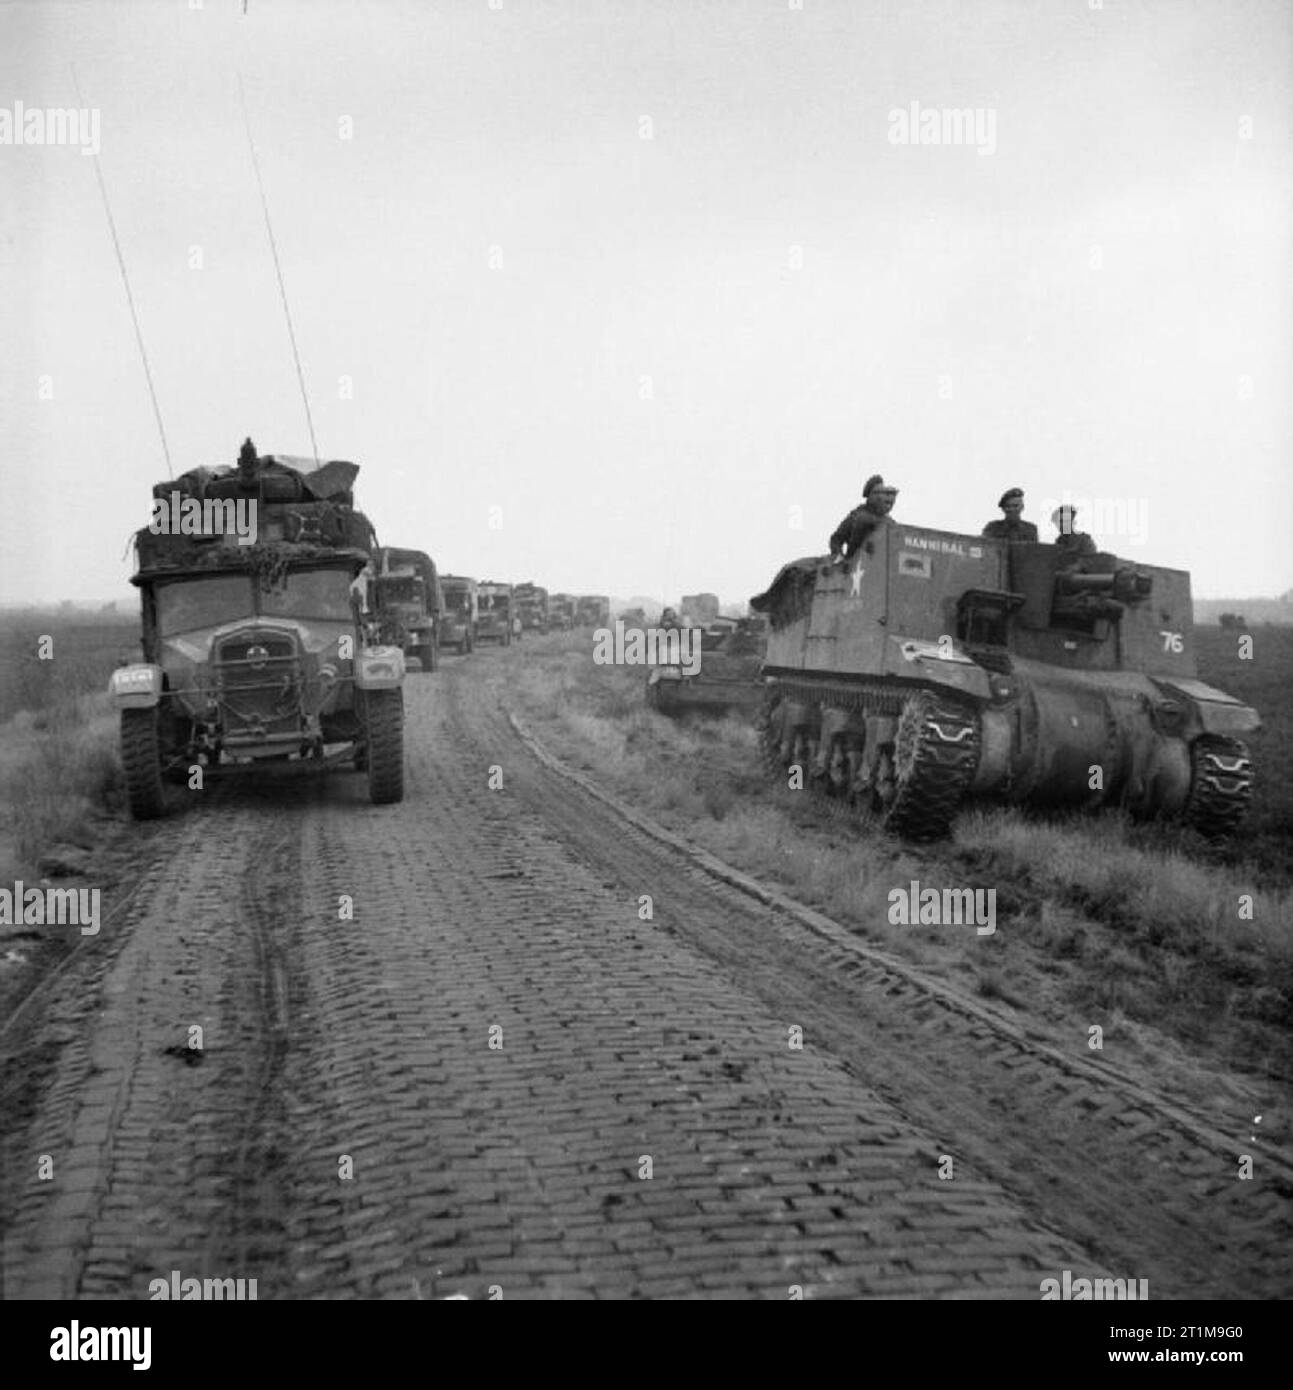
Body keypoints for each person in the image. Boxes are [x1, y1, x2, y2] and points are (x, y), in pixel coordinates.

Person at [829, 475, 897, 562]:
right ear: (871, 495)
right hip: (856, 565)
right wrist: (839, 557)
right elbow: (836, 539)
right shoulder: (857, 516)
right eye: (877, 493)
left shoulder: (889, 523)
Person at [1051, 505, 1097, 569]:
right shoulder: (1059, 541)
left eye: (1065, 521)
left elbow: (1091, 561)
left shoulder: (1084, 540)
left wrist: (1077, 567)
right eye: (1059, 521)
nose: (1062, 524)